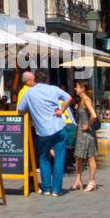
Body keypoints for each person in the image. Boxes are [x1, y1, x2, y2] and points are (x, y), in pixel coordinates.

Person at [17, 69, 73, 197]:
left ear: (35, 79)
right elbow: (69, 98)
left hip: (42, 131)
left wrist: (32, 110)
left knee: (43, 158)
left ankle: (46, 188)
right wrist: (62, 110)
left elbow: (20, 109)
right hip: (58, 127)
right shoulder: (53, 89)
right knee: (59, 158)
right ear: (46, 80)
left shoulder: (28, 92)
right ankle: (57, 190)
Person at [69, 79, 99, 192]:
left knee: (90, 157)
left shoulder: (86, 100)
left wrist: (87, 126)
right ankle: (78, 180)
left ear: (83, 89)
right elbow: (82, 117)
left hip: (87, 133)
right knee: (78, 157)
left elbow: (94, 115)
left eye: (77, 86)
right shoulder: (81, 101)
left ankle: (91, 181)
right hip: (81, 133)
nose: (75, 88)